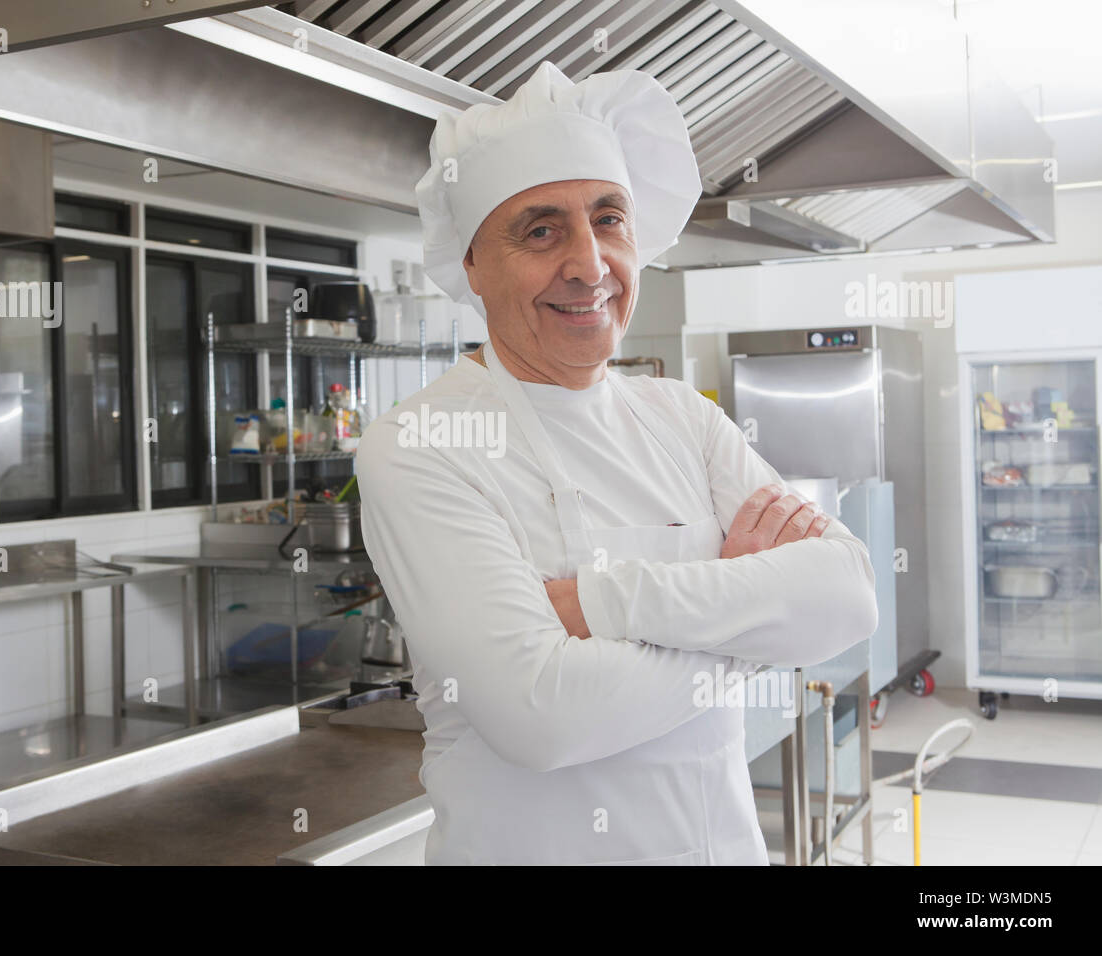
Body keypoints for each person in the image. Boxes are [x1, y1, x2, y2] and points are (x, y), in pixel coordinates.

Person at [356, 61, 878, 866]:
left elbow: (848, 596)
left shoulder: (681, 417)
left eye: (608, 219)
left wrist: (603, 600)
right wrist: (757, 619)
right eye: (540, 230)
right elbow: (546, 717)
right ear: (471, 264)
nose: (589, 264)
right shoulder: (421, 445)